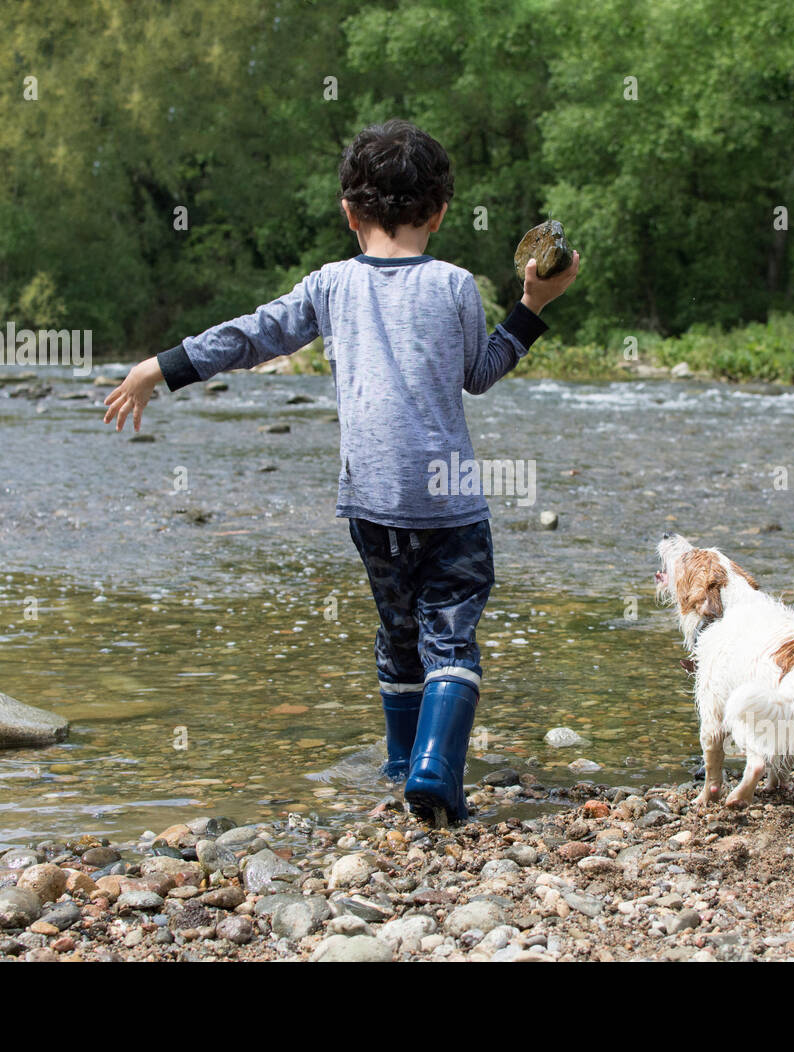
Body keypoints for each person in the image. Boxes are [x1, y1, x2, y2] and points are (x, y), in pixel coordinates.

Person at [103, 118, 580, 824]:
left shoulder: (329, 286)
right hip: (449, 507)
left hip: (372, 504)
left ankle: (398, 764)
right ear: (442, 212)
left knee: (397, 634)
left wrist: (161, 366)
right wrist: (533, 306)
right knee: (449, 634)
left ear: (349, 214)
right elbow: (479, 375)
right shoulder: (453, 285)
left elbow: (253, 336)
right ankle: (433, 771)